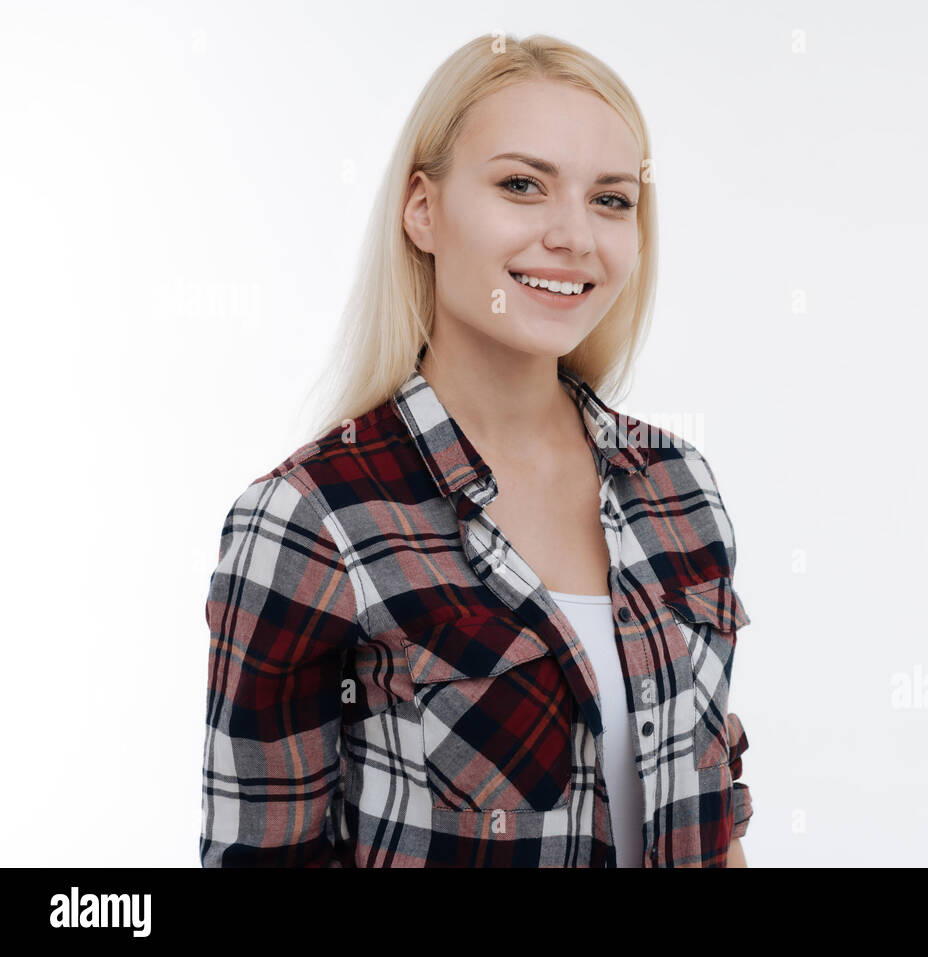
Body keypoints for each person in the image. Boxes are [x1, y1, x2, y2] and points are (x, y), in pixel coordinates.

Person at [201, 32, 754, 867]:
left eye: (611, 200)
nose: (573, 235)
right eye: (522, 185)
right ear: (422, 209)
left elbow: (714, 831)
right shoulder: (312, 521)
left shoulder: (680, 487)